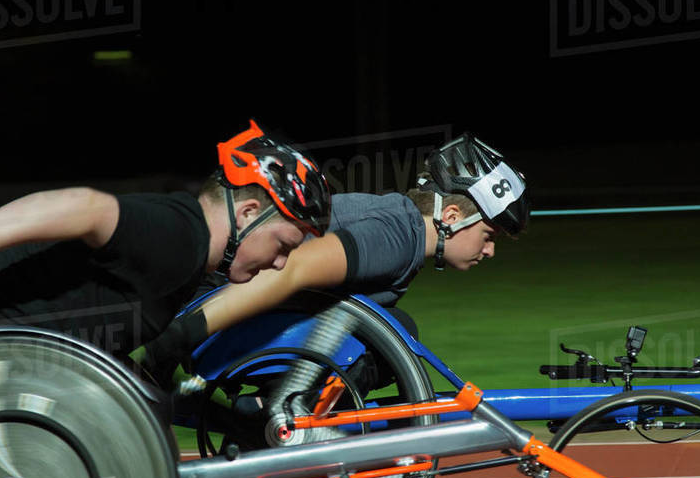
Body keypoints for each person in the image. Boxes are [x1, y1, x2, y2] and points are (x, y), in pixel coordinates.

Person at [0, 120, 332, 367]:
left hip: (7, 362)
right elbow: (87, 208)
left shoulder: (195, 256)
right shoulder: (178, 236)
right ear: (248, 213)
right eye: (283, 245)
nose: (280, 264)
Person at [141, 132, 529, 375]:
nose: (490, 250)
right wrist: (182, 334)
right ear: (451, 216)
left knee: (392, 325)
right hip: (209, 307)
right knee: (398, 331)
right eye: (489, 235)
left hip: (224, 307)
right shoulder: (398, 234)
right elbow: (291, 271)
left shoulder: (401, 228)